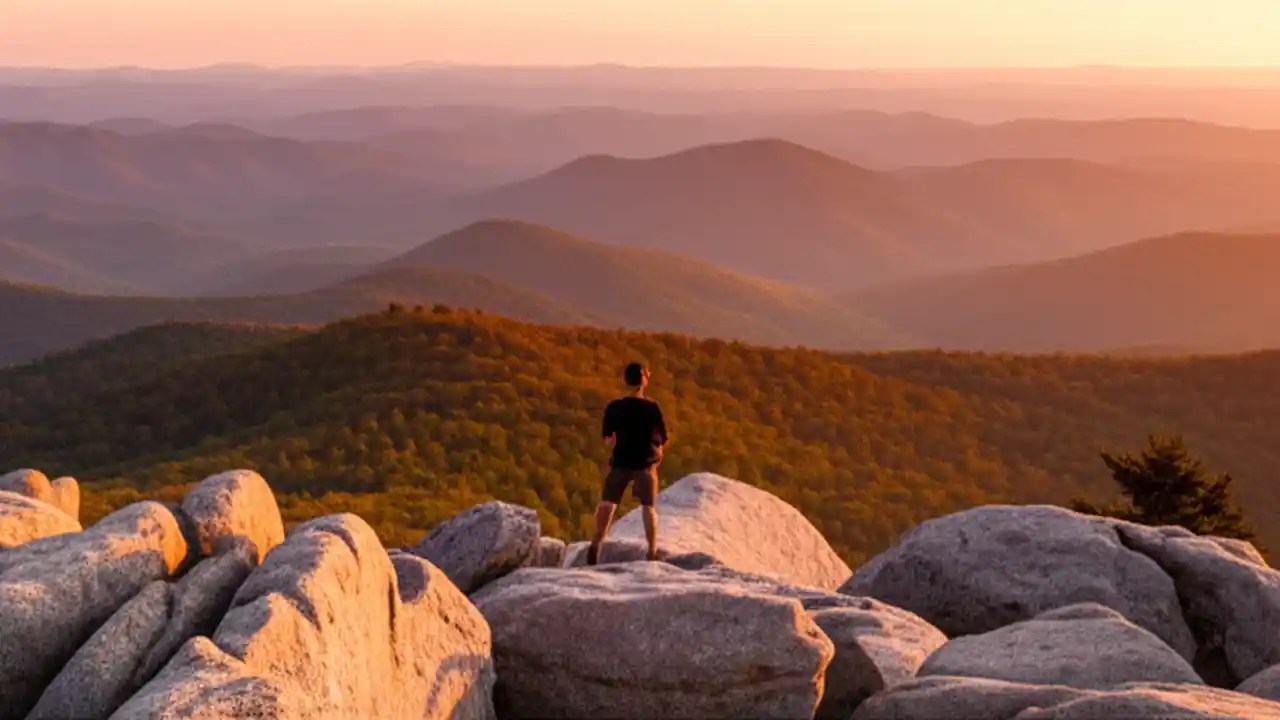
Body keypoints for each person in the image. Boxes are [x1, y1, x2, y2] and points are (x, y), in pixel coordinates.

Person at [588, 362, 668, 565]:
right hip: (645, 463)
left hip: (621, 461)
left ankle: (596, 543)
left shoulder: (615, 407)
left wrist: (618, 442)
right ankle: (651, 551)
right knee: (648, 506)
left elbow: (607, 438)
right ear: (643, 379)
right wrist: (658, 453)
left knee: (608, 503)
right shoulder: (652, 408)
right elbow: (661, 438)